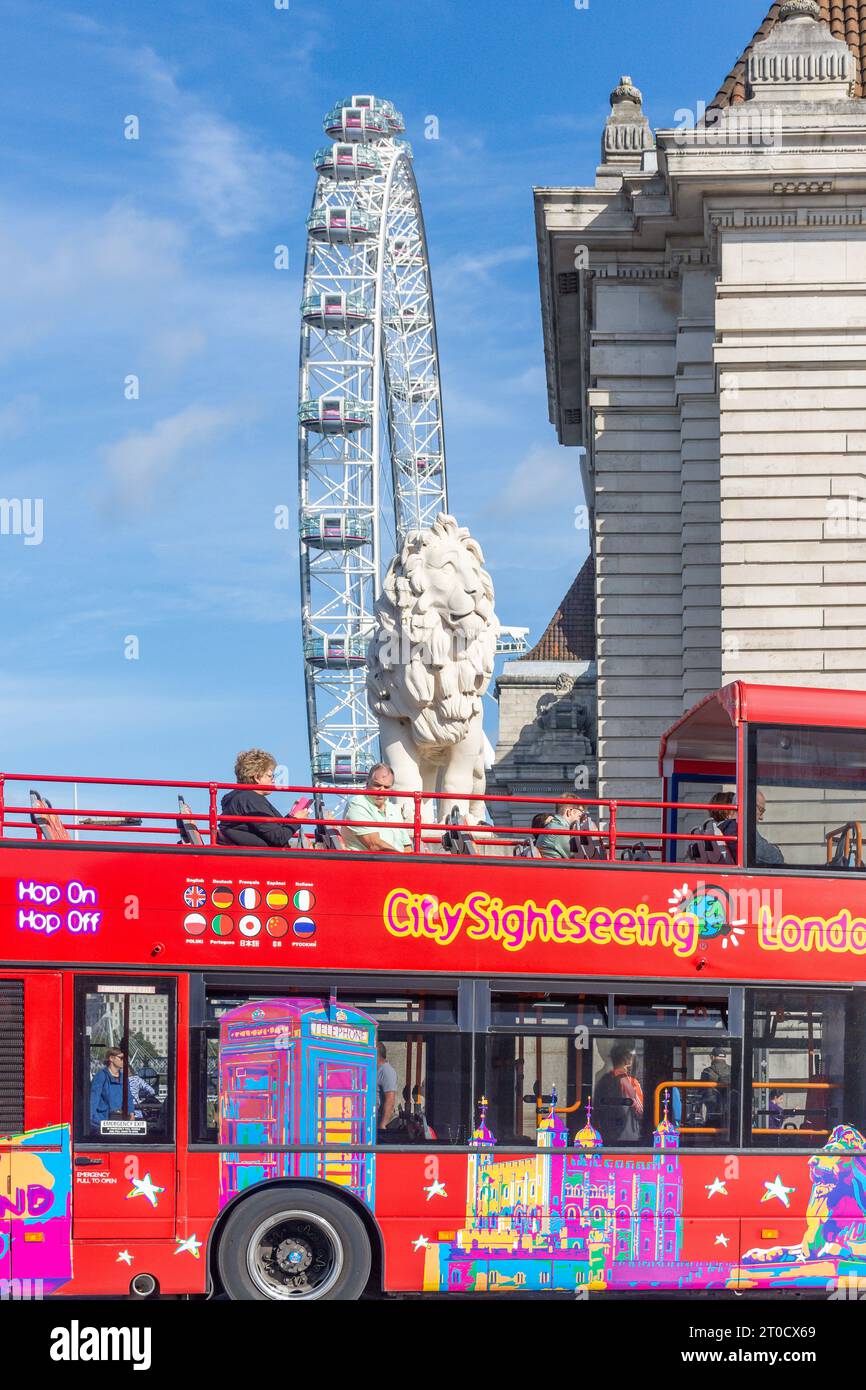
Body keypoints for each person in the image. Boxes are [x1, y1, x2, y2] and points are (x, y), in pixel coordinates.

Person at [218, 749, 307, 848]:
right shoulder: (250, 799)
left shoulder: (241, 798)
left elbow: (270, 829)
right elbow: (278, 838)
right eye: (269, 776)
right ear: (257, 777)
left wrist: (291, 816)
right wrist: (296, 820)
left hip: (253, 853)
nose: (273, 780)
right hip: (264, 857)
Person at [342, 764, 412, 853]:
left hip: (395, 862)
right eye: (377, 785)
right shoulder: (357, 803)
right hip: (369, 863)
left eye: (386, 787)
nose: (381, 791)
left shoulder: (392, 808)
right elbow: (375, 845)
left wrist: (408, 863)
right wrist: (404, 861)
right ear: (367, 783)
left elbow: (407, 846)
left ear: (391, 788)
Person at [90, 1047, 157, 1132]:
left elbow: (128, 1097)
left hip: (120, 1120)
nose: (124, 1061)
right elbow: (93, 1101)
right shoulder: (101, 1076)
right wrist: (98, 1122)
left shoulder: (123, 1077)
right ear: (111, 1058)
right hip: (104, 1120)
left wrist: (132, 1113)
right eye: (121, 1058)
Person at [592, 1043, 644, 1144]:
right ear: (626, 1060)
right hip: (628, 1136)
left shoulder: (603, 1079)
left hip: (605, 1133)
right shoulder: (630, 1082)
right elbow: (640, 1110)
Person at [700, 1047, 731, 1131]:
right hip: (729, 1109)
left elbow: (701, 1091)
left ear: (712, 1057)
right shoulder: (732, 1071)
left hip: (711, 1108)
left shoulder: (707, 1071)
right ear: (725, 1057)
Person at [377, 1042, 398, 1134]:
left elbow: (390, 1099)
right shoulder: (375, 1070)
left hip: (383, 1122)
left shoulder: (386, 1071)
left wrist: (383, 1124)